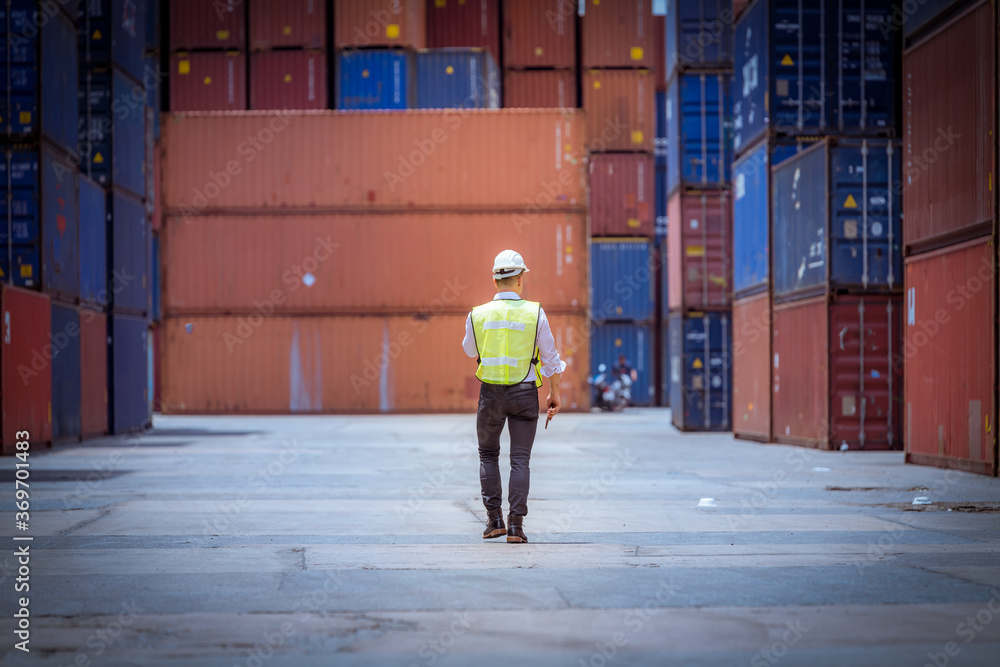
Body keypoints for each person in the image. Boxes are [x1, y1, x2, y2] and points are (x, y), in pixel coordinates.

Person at [462, 250, 566, 543]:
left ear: (494, 280)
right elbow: (550, 359)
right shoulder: (535, 313)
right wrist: (555, 393)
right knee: (520, 459)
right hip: (525, 394)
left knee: (488, 454)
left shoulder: (477, 314)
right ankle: (516, 527)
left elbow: (470, 350)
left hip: (490, 395)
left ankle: (494, 521)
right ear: (520, 279)